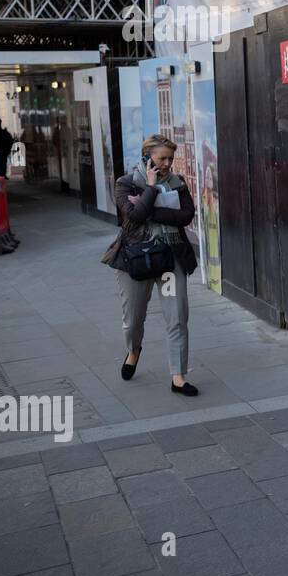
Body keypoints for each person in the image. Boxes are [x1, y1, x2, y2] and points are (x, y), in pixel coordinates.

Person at [100, 134, 200, 395]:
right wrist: (153, 189)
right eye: (161, 158)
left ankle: (178, 376)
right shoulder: (126, 183)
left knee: (177, 317)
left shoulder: (178, 183)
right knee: (133, 320)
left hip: (169, 259)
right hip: (136, 259)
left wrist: (151, 209)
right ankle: (133, 351)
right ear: (147, 157)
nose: (167, 163)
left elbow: (186, 216)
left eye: (170, 158)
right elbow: (132, 215)